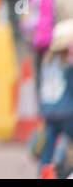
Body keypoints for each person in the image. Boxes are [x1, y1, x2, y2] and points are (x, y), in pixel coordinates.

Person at [36, 19, 73, 175]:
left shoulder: (46, 62)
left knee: (48, 147)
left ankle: (43, 173)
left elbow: (40, 85)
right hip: (66, 111)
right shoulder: (67, 65)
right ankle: (65, 170)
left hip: (48, 110)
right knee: (69, 142)